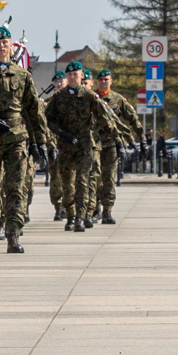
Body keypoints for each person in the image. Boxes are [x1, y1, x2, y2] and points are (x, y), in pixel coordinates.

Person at [0, 25, 47, 251]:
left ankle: (13, 234)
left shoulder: (23, 76)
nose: (2, 46)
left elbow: (34, 111)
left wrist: (40, 141)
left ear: (11, 46)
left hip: (17, 139)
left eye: (5, 43)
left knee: (15, 188)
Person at [48, 62, 114, 230]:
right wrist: (60, 133)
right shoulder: (58, 97)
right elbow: (48, 120)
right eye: (69, 74)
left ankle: (80, 217)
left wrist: (113, 137)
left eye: (75, 74)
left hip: (84, 145)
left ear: (80, 75)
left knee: (82, 181)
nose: (72, 77)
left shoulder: (90, 96)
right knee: (67, 182)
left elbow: (103, 118)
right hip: (65, 145)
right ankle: (69, 215)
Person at [92, 68, 141, 225]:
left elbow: (132, 118)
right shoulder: (91, 98)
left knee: (109, 179)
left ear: (111, 81)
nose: (103, 82)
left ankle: (107, 211)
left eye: (106, 79)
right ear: (96, 81)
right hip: (95, 144)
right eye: (101, 80)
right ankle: (94, 210)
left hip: (112, 144)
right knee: (95, 178)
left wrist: (142, 139)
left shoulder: (118, 100)